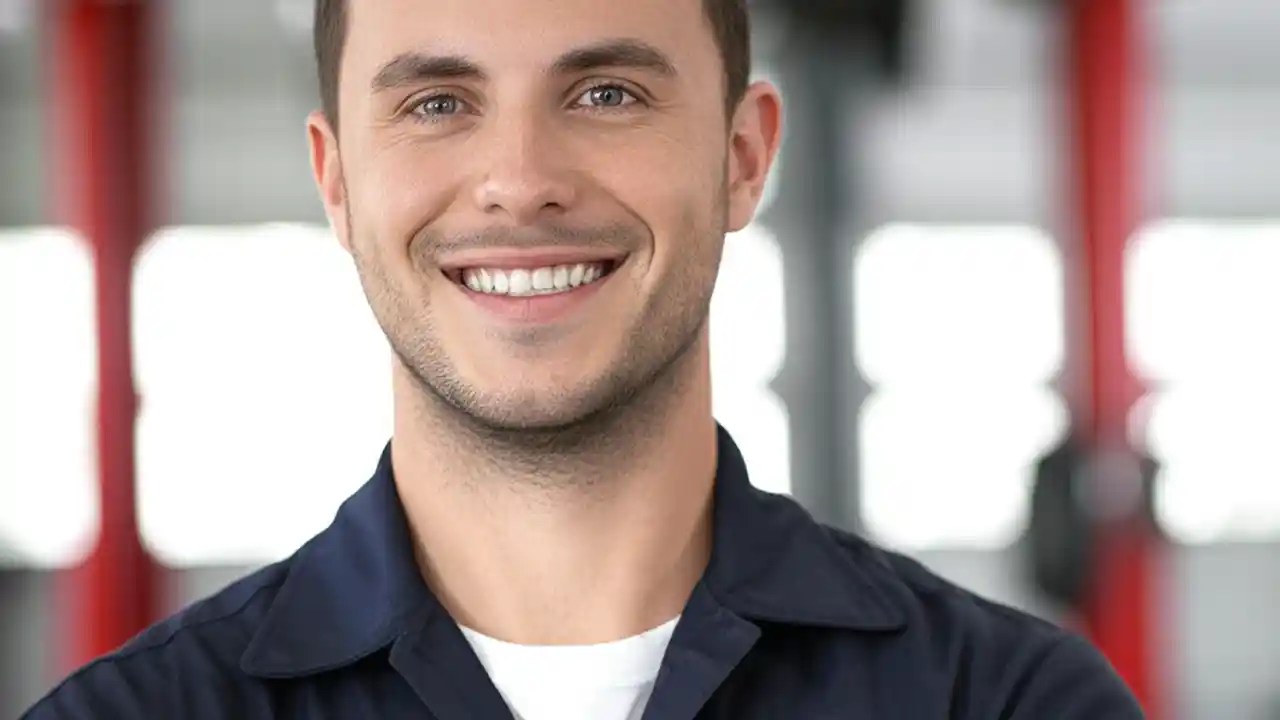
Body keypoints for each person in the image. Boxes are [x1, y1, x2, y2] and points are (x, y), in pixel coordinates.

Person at [25, 0, 1145, 717]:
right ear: (336, 182)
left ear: (742, 154)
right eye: (436, 101)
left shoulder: (1000, 703)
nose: (519, 176)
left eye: (604, 93)